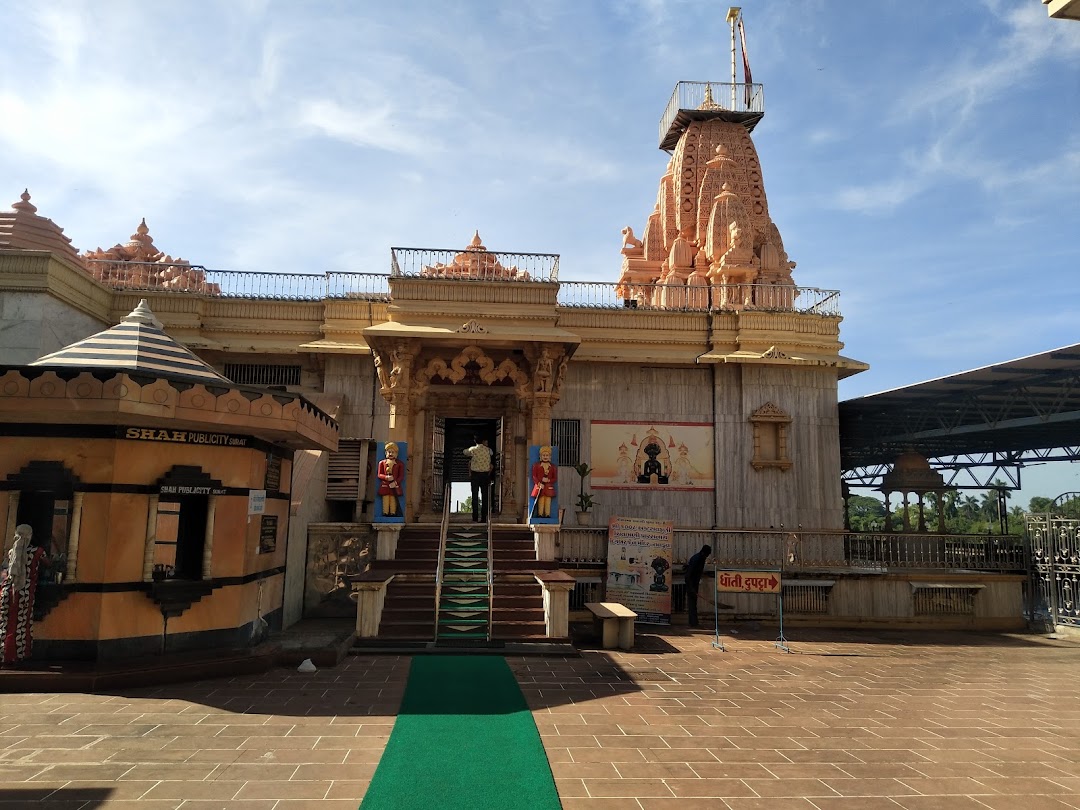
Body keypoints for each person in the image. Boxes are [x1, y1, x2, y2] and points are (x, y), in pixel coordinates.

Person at [1, 524, 47, 664]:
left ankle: (4, 655)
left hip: (6, 592)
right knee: (20, 625)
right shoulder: (38, 552)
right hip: (24, 592)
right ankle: (17, 655)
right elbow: (48, 563)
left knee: (5, 624)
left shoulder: (11, 552)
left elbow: (5, 570)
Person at [463, 436, 493, 523]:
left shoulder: (473, 449)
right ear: (483, 441)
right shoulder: (488, 450)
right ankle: (484, 518)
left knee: (475, 496)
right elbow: (492, 453)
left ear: (475, 441)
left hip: (475, 475)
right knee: (485, 497)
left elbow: (464, 452)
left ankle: (475, 518)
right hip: (485, 475)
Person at [684, 543, 712, 628]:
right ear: (704, 553)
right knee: (692, 603)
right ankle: (693, 623)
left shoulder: (701, 558)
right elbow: (688, 574)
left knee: (693, 603)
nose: (707, 557)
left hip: (694, 583)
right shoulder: (697, 559)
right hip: (691, 583)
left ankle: (694, 622)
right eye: (707, 555)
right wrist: (691, 587)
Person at [376, 441, 405, 517]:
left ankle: (393, 512)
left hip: (394, 485)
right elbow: (379, 474)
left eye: (393, 452)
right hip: (385, 485)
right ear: (386, 453)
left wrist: (395, 483)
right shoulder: (382, 463)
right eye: (389, 452)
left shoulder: (399, 464)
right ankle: (385, 512)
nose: (391, 454)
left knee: (393, 499)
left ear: (396, 453)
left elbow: (401, 476)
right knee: (385, 498)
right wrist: (386, 477)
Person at [530, 445, 557, 518]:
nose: (545, 457)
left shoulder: (552, 467)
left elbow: (554, 478)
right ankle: (540, 514)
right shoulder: (536, 465)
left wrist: (549, 480)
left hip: (548, 487)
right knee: (540, 500)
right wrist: (539, 483)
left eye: (547, 455)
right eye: (544, 455)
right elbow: (534, 476)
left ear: (550, 456)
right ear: (541, 456)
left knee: (548, 501)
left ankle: (547, 514)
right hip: (540, 486)